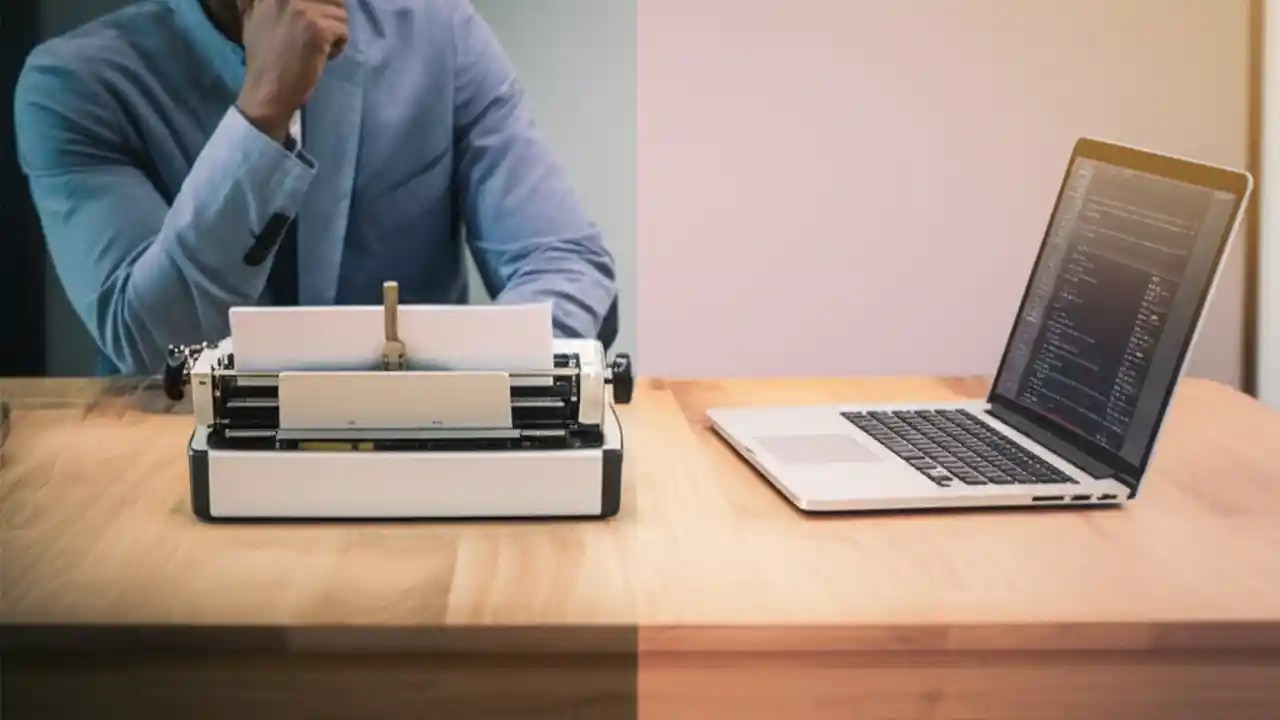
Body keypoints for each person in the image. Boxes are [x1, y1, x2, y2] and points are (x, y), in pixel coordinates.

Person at [14, 0, 617, 375]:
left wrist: (475, 394)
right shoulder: (76, 84)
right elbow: (151, 346)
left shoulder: (442, 33)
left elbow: (563, 258)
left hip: (419, 456)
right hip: (178, 468)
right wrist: (262, 109)